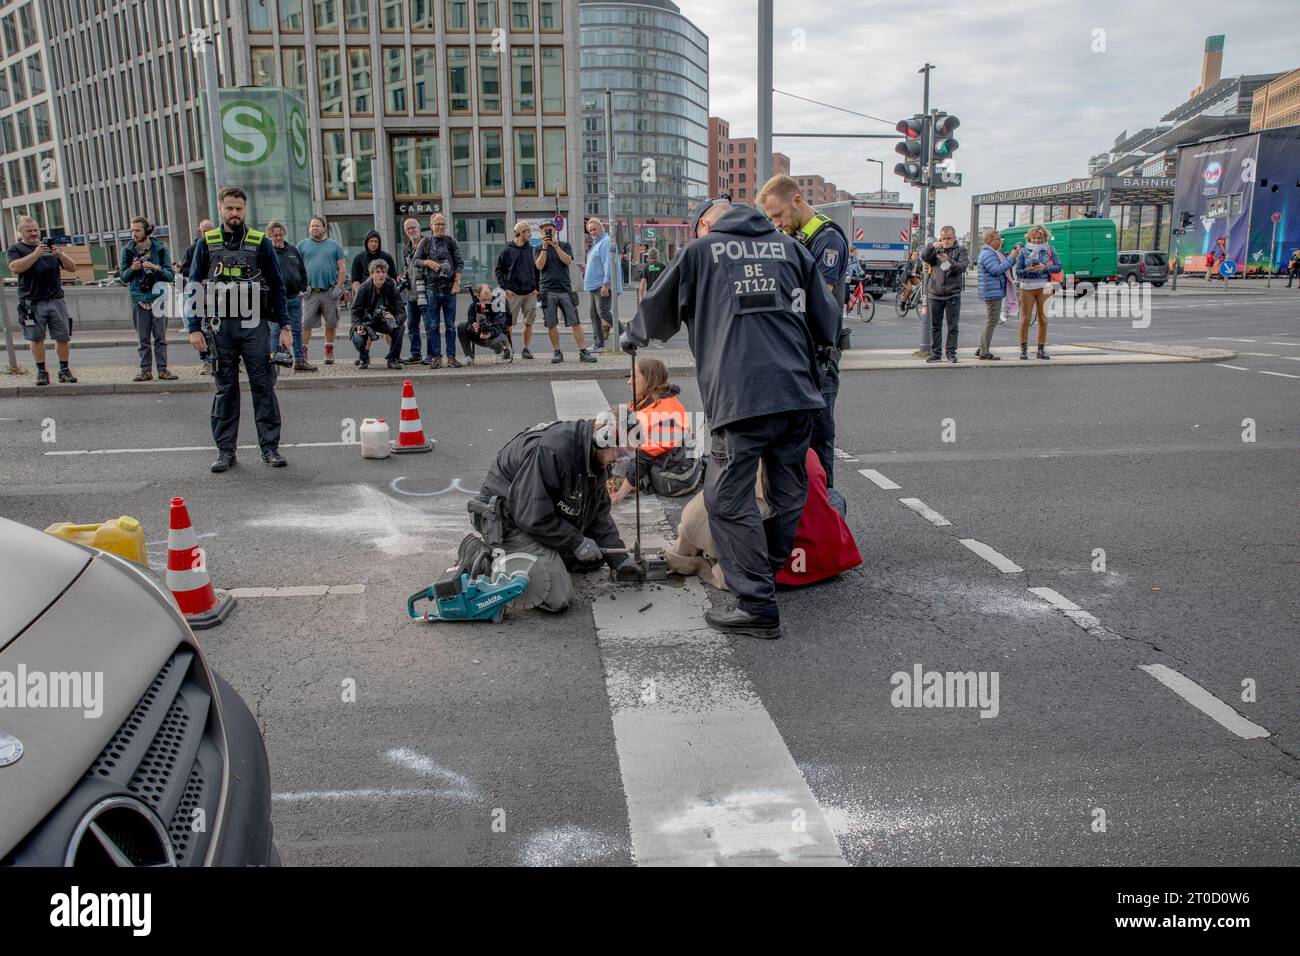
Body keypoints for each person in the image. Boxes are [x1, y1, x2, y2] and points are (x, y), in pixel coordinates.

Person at [622, 196, 839, 640]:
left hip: (742, 398)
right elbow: (828, 321)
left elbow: (654, 316)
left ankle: (757, 603)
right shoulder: (791, 249)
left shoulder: (701, 252)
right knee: (788, 485)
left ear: (704, 224)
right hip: (798, 394)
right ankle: (770, 567)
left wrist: (632, 336)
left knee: (726, 497)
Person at [473, 413, 632, 613]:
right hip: (508, 520)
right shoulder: (554, 451)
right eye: (619, 453)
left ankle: (548, 554)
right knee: (556, 595)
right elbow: (532, 515)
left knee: (596, 556)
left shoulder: (593, 456)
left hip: (533, 513)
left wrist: (621, 561)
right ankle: (485, 556)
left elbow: (597, 513)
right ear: (603, 439)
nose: (619, 460)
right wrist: (575, 542)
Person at [756, 174, 850, 512]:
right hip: (799, 353)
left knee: (818, 438)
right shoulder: (797, 237)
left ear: (797, 200)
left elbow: (818, 297)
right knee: (795, 439)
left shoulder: (827, 239)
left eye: (778, 215)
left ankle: (826, 517)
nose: (776, 224)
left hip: (820, 356)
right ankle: (803, 514)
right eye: (771, 219)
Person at [187, 186, 290, 472]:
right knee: (225, 390)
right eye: (230, 208)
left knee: (263, 387)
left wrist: (285, 326)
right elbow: (194, 286)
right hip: (220, 327)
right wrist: (194, 328)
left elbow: (278, 287)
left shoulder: (260, 242)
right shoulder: (206, 243)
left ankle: (270, 449)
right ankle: (225, 452)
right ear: (220, 208)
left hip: (254, 325)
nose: (234, 213)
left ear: (245, 211)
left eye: (239, 209)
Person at [609, 355, 701, 504]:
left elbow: (642, 458)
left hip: (674, 478)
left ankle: (631, 483)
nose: (629, 382)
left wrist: (619, 495)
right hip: (676, 458)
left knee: (631, 451)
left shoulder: (663, 411)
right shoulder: (652, 400)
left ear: (649, 380)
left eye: (634, 377)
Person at [6, 215, 78, 386]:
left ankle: (64, 370)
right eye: (29, 231)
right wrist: (36, 254)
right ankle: (41, 372)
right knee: (36, 338)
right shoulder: (16, 249)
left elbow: (72, 267)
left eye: (36, 230)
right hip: (32, 301)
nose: (33, 233)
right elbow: (15, 268)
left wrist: (60, 253)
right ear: (20, 232)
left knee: (63, 337)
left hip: (55, 299)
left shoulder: (50, 248)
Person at [118, 215, 176, 382]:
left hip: (158, 297)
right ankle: (145, 370)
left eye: (137, 230)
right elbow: (123, 278)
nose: (133, 233)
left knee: (160, 337)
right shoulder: (127, 250)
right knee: (143, 338)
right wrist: (132, 268)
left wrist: (155, 267)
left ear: (147, 231)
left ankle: (163, 370)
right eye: (132, 230)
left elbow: (170, 275)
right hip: (138, 298)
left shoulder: (160, 248)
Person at [535, 220, 596, 364]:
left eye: (549, 230)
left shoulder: (565, 245)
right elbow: (539, 266)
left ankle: (583, 351)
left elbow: (568, 261)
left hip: (564, 288)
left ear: (555, 231)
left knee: (575, 321)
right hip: (547, 290)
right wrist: (544, 248)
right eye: (544, 230)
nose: (547, 232)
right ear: (541, 233)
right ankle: (557, 352)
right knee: (551, 323)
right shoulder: (537, 248)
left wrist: (556, 247)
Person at [298, 215, 348, 365]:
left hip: (329, 292)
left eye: (317, 226)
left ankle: (328, 352)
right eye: (312, 226)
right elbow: (296, 269)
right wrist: (301, 287)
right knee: (306, 324)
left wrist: (338, 289)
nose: (314, 228)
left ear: (324, 228)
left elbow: (342, 270)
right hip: (310, 292)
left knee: (331, 324)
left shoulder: (334, 246)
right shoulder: (302, 246)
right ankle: (303, 354)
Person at [416, 212, 463, 367]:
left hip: (449, 288)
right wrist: (428, 262)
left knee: (450, 324)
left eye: (443, 224)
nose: (441, 227)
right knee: (433, 325)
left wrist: (457, 282)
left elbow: (459, 263)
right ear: (431, 226)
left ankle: (451, 357)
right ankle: (436, 357)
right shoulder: (425, 242)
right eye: (438, 224)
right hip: (432, 288)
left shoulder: (451, 242)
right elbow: (415, 261)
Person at [266, 220, 313, 372]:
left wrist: (303, 288)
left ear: (284, 234)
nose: (278, 238)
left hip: (295, 297)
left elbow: (302, 270)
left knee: (297, 330)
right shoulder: (267, 252)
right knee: (275, 331)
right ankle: (274, 363)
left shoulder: (293, 250)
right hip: (276, 300)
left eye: (280, 234)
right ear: (270, 235)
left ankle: (299, 360)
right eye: (275, 235)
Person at [920, 225, 969, 363]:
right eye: (943, 238)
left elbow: (961, 267)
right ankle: (936, 353)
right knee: (935, 325)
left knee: (953, 325)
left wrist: (947, 260)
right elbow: (924, 257)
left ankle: (951, 353)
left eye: (949, 238)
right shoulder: (935, 250)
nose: (946, 241)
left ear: (954, 237)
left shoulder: (961, 250)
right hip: (935, 292)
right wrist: (931, 246)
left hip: (952, 293)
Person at [495, 221, 540, 361]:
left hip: (529, 293)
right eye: (528, 231)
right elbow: (498, 270)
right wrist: (505, 288)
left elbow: (536, 270)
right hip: (512, 293)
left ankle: (525, 349)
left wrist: (537, 288)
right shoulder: (506, 250)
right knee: (507, 323)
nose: (530, 234)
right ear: (521, 232)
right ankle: (506, 350)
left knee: (529, 322)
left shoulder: (531, 249)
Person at [349, 260, 405, 370]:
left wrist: (395, 319)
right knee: (357, 337)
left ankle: (393, 359)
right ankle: (364, 358)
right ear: (371, 274)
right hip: (367, 321)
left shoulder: (392, 287)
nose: (381, 275)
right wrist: (358, 325)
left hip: (385, 321)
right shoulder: (364, 288)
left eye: (383, 272)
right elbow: (355, 311)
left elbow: (402, 312)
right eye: (377, 272)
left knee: (400, 327)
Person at [1013, 225, 1059, 360]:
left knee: (1043, 319)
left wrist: (1045, 267)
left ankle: (1041, 349)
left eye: (1040, 238)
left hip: (1045, 287)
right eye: (1034, 238)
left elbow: (1059, 266)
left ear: (1044, 237)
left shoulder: (1049, 249)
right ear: (1029, 238)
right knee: (1025, 319)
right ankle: (1023, 349)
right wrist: (1027, 270)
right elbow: (1018, 271)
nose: (1037, 241)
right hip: (1027, 287)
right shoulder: (1023, 252)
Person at [975, 229, 1020, 360]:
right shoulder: (989, 254)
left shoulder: (990, 253)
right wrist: (1011, 257)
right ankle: (984, 351)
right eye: (998, 238)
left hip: (991, 290)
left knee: (991, 320)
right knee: (992, 320)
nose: (1000, 241)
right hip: (992, 291)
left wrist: (1012, 258)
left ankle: (981, 348)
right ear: (990, 240)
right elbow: (996, 270)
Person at [583, 217, 621, 349]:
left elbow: (608, 264)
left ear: (601, 228)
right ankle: (599, 344)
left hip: (602, 285)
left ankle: (628, 337)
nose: (592, 232)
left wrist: (606, 284)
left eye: (594, 229)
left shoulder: (605, 242)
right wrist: (586, 267)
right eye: (590, 230)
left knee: (603, 312)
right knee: (594, 315)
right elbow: (599, 263)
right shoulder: (597, 243)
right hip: (594, 285)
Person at [398, 217, 428, 365]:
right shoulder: (407, 248)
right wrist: (403, 276)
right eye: (408, 229)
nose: (411, 230)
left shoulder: (427, 244)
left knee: (430, 325)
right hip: (411, 293)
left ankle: (432, 355)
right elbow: (407, 267)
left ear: (419, 229)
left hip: (426, 292)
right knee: (412, 326)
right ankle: (415, 354)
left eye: (413, 227)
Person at [457, 283, 512, 363]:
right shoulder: (473, 306)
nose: (486, 302)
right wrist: (472, 327)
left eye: (488, 299)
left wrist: (490, 332)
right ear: (478, 296)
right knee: (461, 326)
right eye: (483, 300)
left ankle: (499, 353)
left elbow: (500, 326)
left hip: (494, 336)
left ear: (492, 297)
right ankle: (469, 356)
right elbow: (469, 323)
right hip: (479, 335)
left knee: (495, 341)